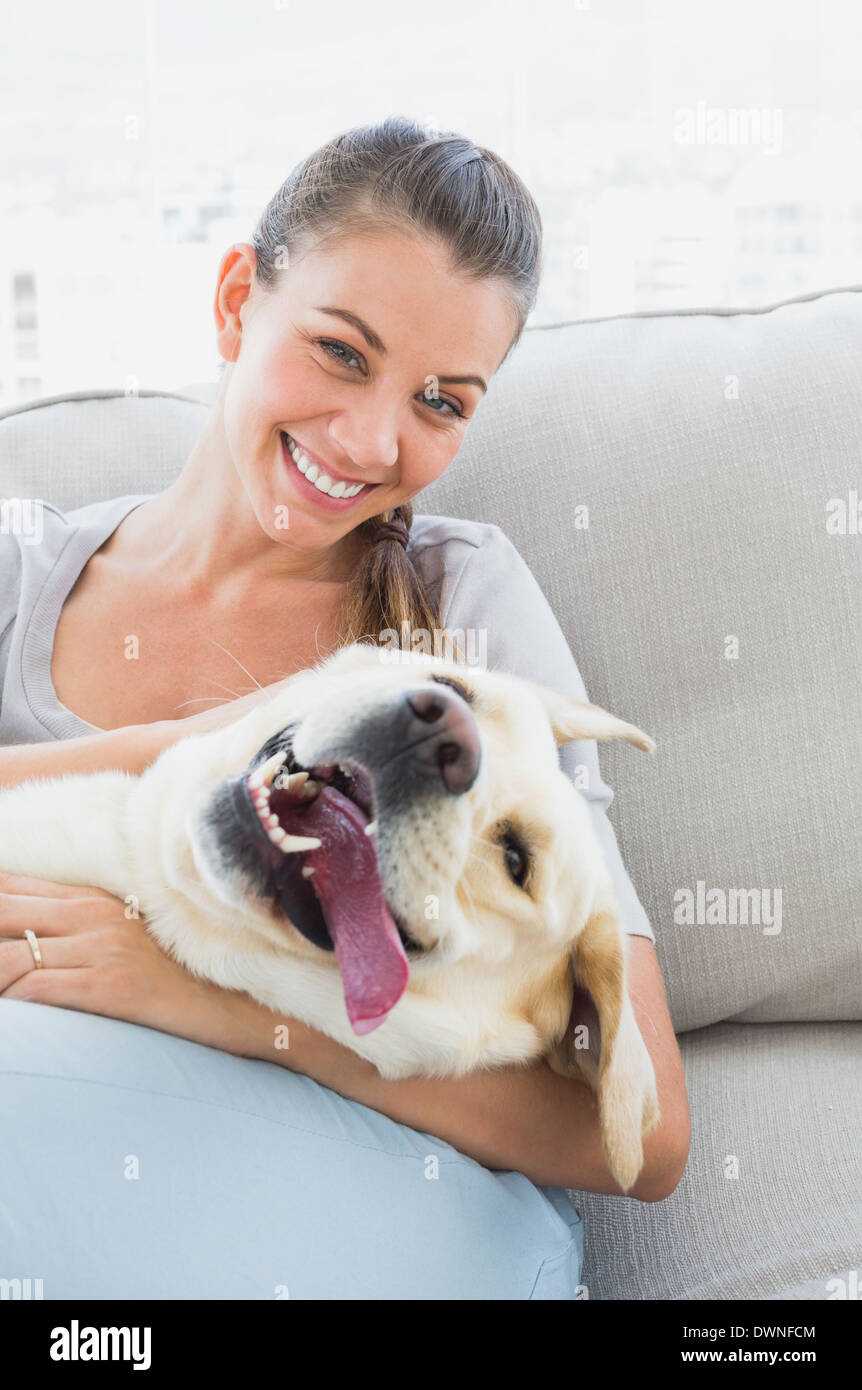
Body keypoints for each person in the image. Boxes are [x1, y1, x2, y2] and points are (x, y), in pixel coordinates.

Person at [0, 117, 689, 1299]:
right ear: (234, 302)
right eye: (339, 352)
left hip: (383, 1205)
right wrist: (197, 745)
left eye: (440, 400)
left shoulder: (459, 608)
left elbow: (645, 1128)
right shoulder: (23, 577)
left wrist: (201, 993)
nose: (372, 440)